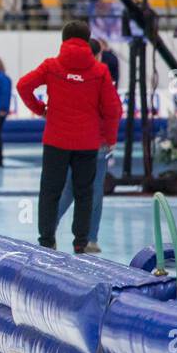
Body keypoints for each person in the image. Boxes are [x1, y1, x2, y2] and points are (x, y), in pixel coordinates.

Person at [17, 21, 122, 253]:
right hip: (87, 142)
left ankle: (46, 240)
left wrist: (41, 109)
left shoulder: (52, 66)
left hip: (56, 139)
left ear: (63, 40)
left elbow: (23, 85)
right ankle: (80, 242)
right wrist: (111, 138)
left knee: (50, 191)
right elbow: (113, 108)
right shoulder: (100, 71)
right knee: (84, 191)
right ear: (87, 40)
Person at [58, 39, 114, 253]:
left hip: (73, 141)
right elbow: (111, 110)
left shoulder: (68, 75)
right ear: (98, 55)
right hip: (94, 143)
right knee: (94, 191)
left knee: (70, 189)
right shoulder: (100, 76)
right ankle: (89, 238)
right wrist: (109, 138)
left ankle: (48, 231)